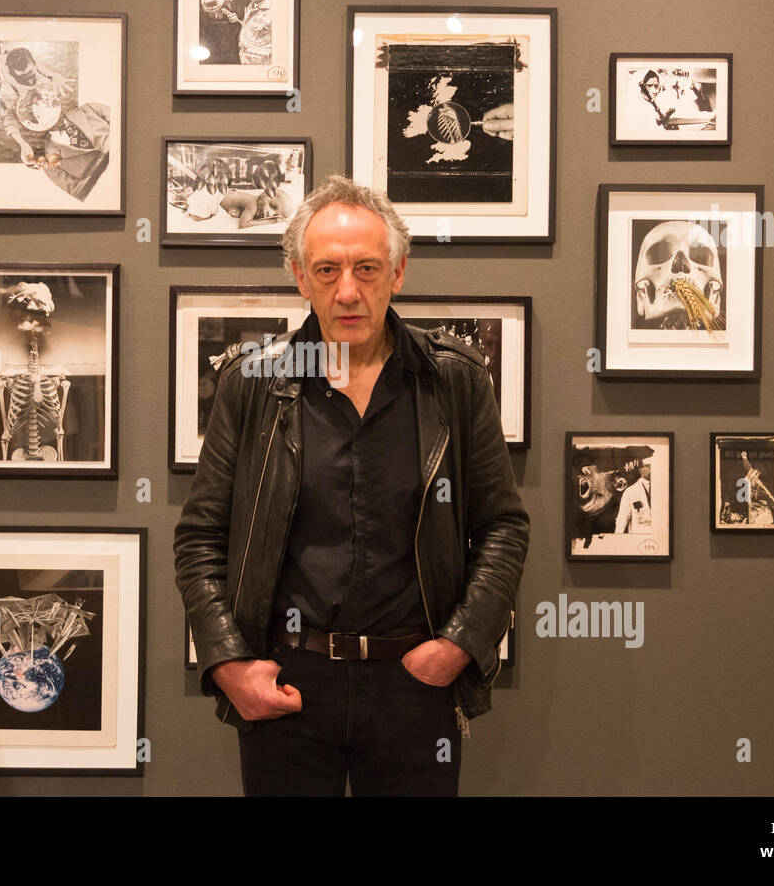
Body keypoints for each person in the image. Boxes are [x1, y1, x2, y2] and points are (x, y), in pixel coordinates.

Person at [174, 175, 530, 796]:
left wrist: (461, 644)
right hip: (287, 679)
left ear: (398, 272)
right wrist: (229, 662)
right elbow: (201, 537)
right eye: (327, 269)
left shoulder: (454, 381)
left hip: (415, 682)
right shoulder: (254, 382)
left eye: (367, 268)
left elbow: (501, 527)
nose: (348, 291)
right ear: (298, 275)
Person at [237, 0, 273, 65]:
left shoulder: (273, 9)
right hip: (246, 55)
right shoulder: (251, 5)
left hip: (262, 59)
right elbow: (251, 29)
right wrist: (238, 21)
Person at [613, 463, 652, 534]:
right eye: (648, 466)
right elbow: (622, 518)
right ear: (640, 470)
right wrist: (617, 539)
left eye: (652, 465)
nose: (651, 468)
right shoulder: (630, 491)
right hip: (638, 538)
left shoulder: (663, 488)